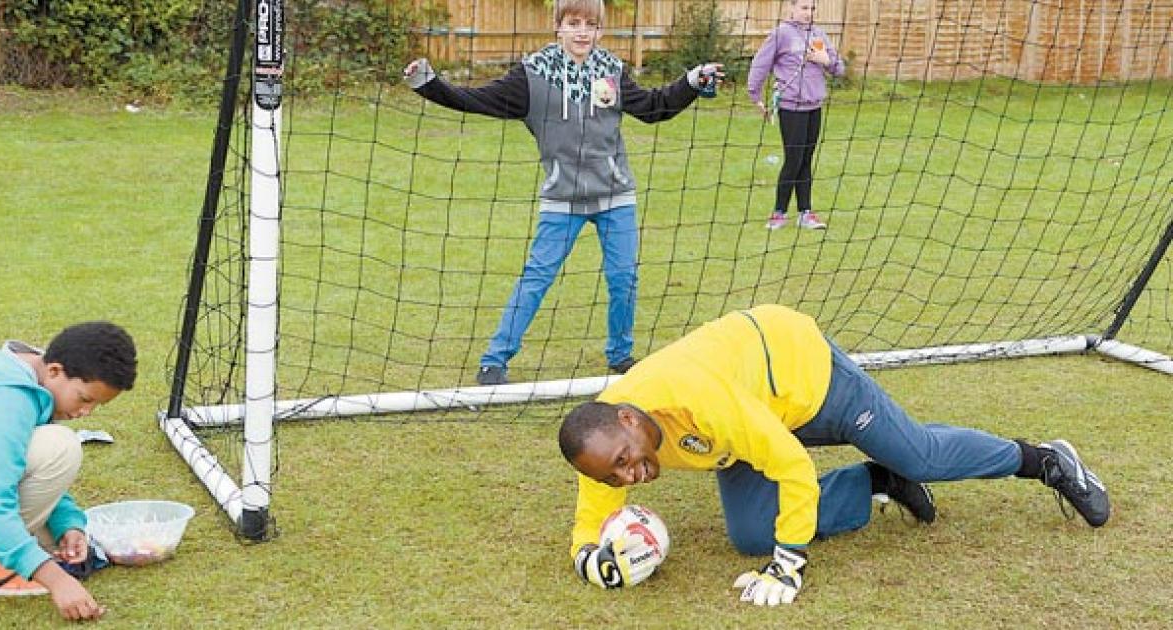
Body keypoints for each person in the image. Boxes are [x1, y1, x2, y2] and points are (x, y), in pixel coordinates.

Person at [557, 304, 1109, 604]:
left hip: (809, 381)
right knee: (752, 535)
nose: (634, 474)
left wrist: (788, 566)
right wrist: (589, 553)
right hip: (755, 422)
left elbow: (792, 466)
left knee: (920, 455)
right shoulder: (601, 434)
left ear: (631, 419)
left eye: (628, 458)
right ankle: (878, 481)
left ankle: (1044, 460)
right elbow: (595, 505)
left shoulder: (697, 398)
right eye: (619, 472)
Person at [403, 0, 725, 386]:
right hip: (562, 201)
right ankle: (495, 359)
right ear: (558, 27)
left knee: (624, 277)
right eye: (573, 23)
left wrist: (691, 83)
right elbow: (476, 100)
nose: (582, 31)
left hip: (615, 196)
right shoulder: (531, 75)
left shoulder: (612, 71)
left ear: (600, 31)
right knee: (536, 278)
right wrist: (429, 84)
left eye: (590, 24)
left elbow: (654, 108)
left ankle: (621, 355)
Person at [0, 321, 137, 621]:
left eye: (96, 406)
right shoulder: (6, 399)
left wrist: (68, 525)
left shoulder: (19, 375)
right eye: (85, 399)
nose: (84, 413)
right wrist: (57, 581)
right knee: (59, 446)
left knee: (55, 536)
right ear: (54, 371)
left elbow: (9, 466)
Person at [747, 0, 845, 231]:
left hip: (814, 107)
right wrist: (756, 96)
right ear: (790, 8)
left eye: (812, 9)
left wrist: (825, 61)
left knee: (807, 159)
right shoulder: (781, 34)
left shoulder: (819, 35)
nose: (808, 13)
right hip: (792, 107)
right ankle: (778, 213)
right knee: (794, 159)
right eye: (803, 8)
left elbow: (839, 68)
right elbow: (760, 66)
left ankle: (806, 213)